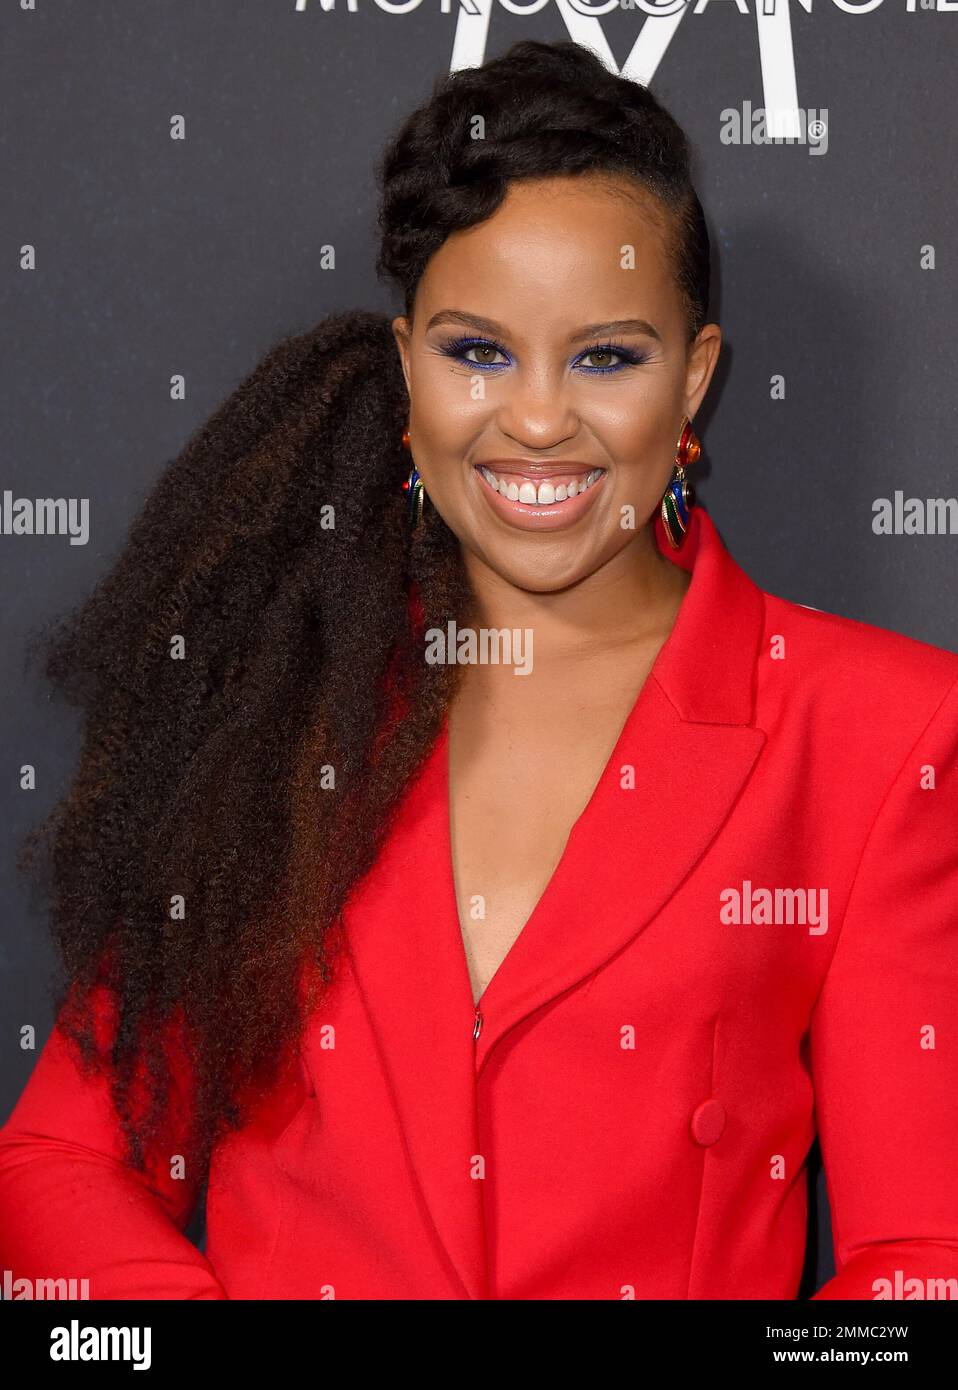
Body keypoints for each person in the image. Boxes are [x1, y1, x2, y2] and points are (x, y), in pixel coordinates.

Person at [1, 38, 956, 1302]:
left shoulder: (883, 732)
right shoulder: (272, 702)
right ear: (406, 371)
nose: (539, 418)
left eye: (606, 356)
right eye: (477, 352)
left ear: (696, 379)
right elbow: (60, 1159)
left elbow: (921, 1263)